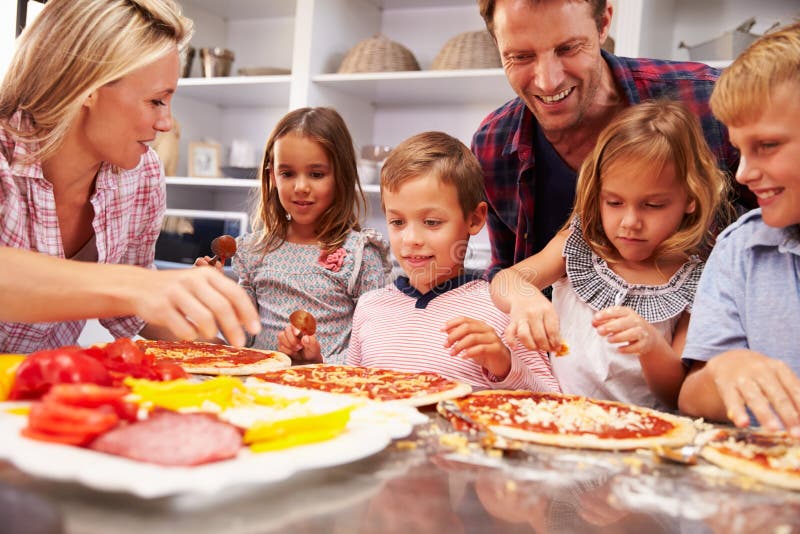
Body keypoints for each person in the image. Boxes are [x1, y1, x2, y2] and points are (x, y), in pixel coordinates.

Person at [0, 0, 260, 353]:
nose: (166, 123)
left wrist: (229, 348)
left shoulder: (141, 174)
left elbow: (133, 312)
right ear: (87, 86)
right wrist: (136, 285)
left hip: (45, 381)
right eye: (156, 101)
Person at [473, 0, 751, 278]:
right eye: (521, 56)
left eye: (568, 48)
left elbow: (776, 242)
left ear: (604, 22)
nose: (548, 82)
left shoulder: (713, 102)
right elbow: (505, 270)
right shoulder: (492, 144)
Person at [490, 100, 729, 408]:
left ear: (690, 199)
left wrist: (651, 345)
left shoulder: (695, 284)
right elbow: (506, 280)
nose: (630, 222)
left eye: (653, 205)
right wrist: (525, 298)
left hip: (640, 428)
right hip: (559, 417)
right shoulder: (578, 245)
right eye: (614, 203)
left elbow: (676, 394)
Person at [346, 131, 558, 391]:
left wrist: (504, 364)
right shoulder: (369, 306)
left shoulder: (503, 307)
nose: (411, 239)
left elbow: (551, 399)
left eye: (431, 222)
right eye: (397, 222)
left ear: (475, 219)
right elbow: (349, 392)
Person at [678, 23, 800, 436]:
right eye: (739, 150)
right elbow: (691, 396)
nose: (743, 173)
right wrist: (725, 369)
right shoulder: (739, 248)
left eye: (767, 146)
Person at [197, 107, 391, 364]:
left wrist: (318, 362)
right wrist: (218, 293)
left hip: (326, 385)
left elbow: (375, 344)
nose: (300, 187)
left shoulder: (360, 255)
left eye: (316, 174)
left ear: (341, 175)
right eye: (287, 173)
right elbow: (244, 339)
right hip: (259, 382)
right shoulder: (257, 250)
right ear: (272, 176)